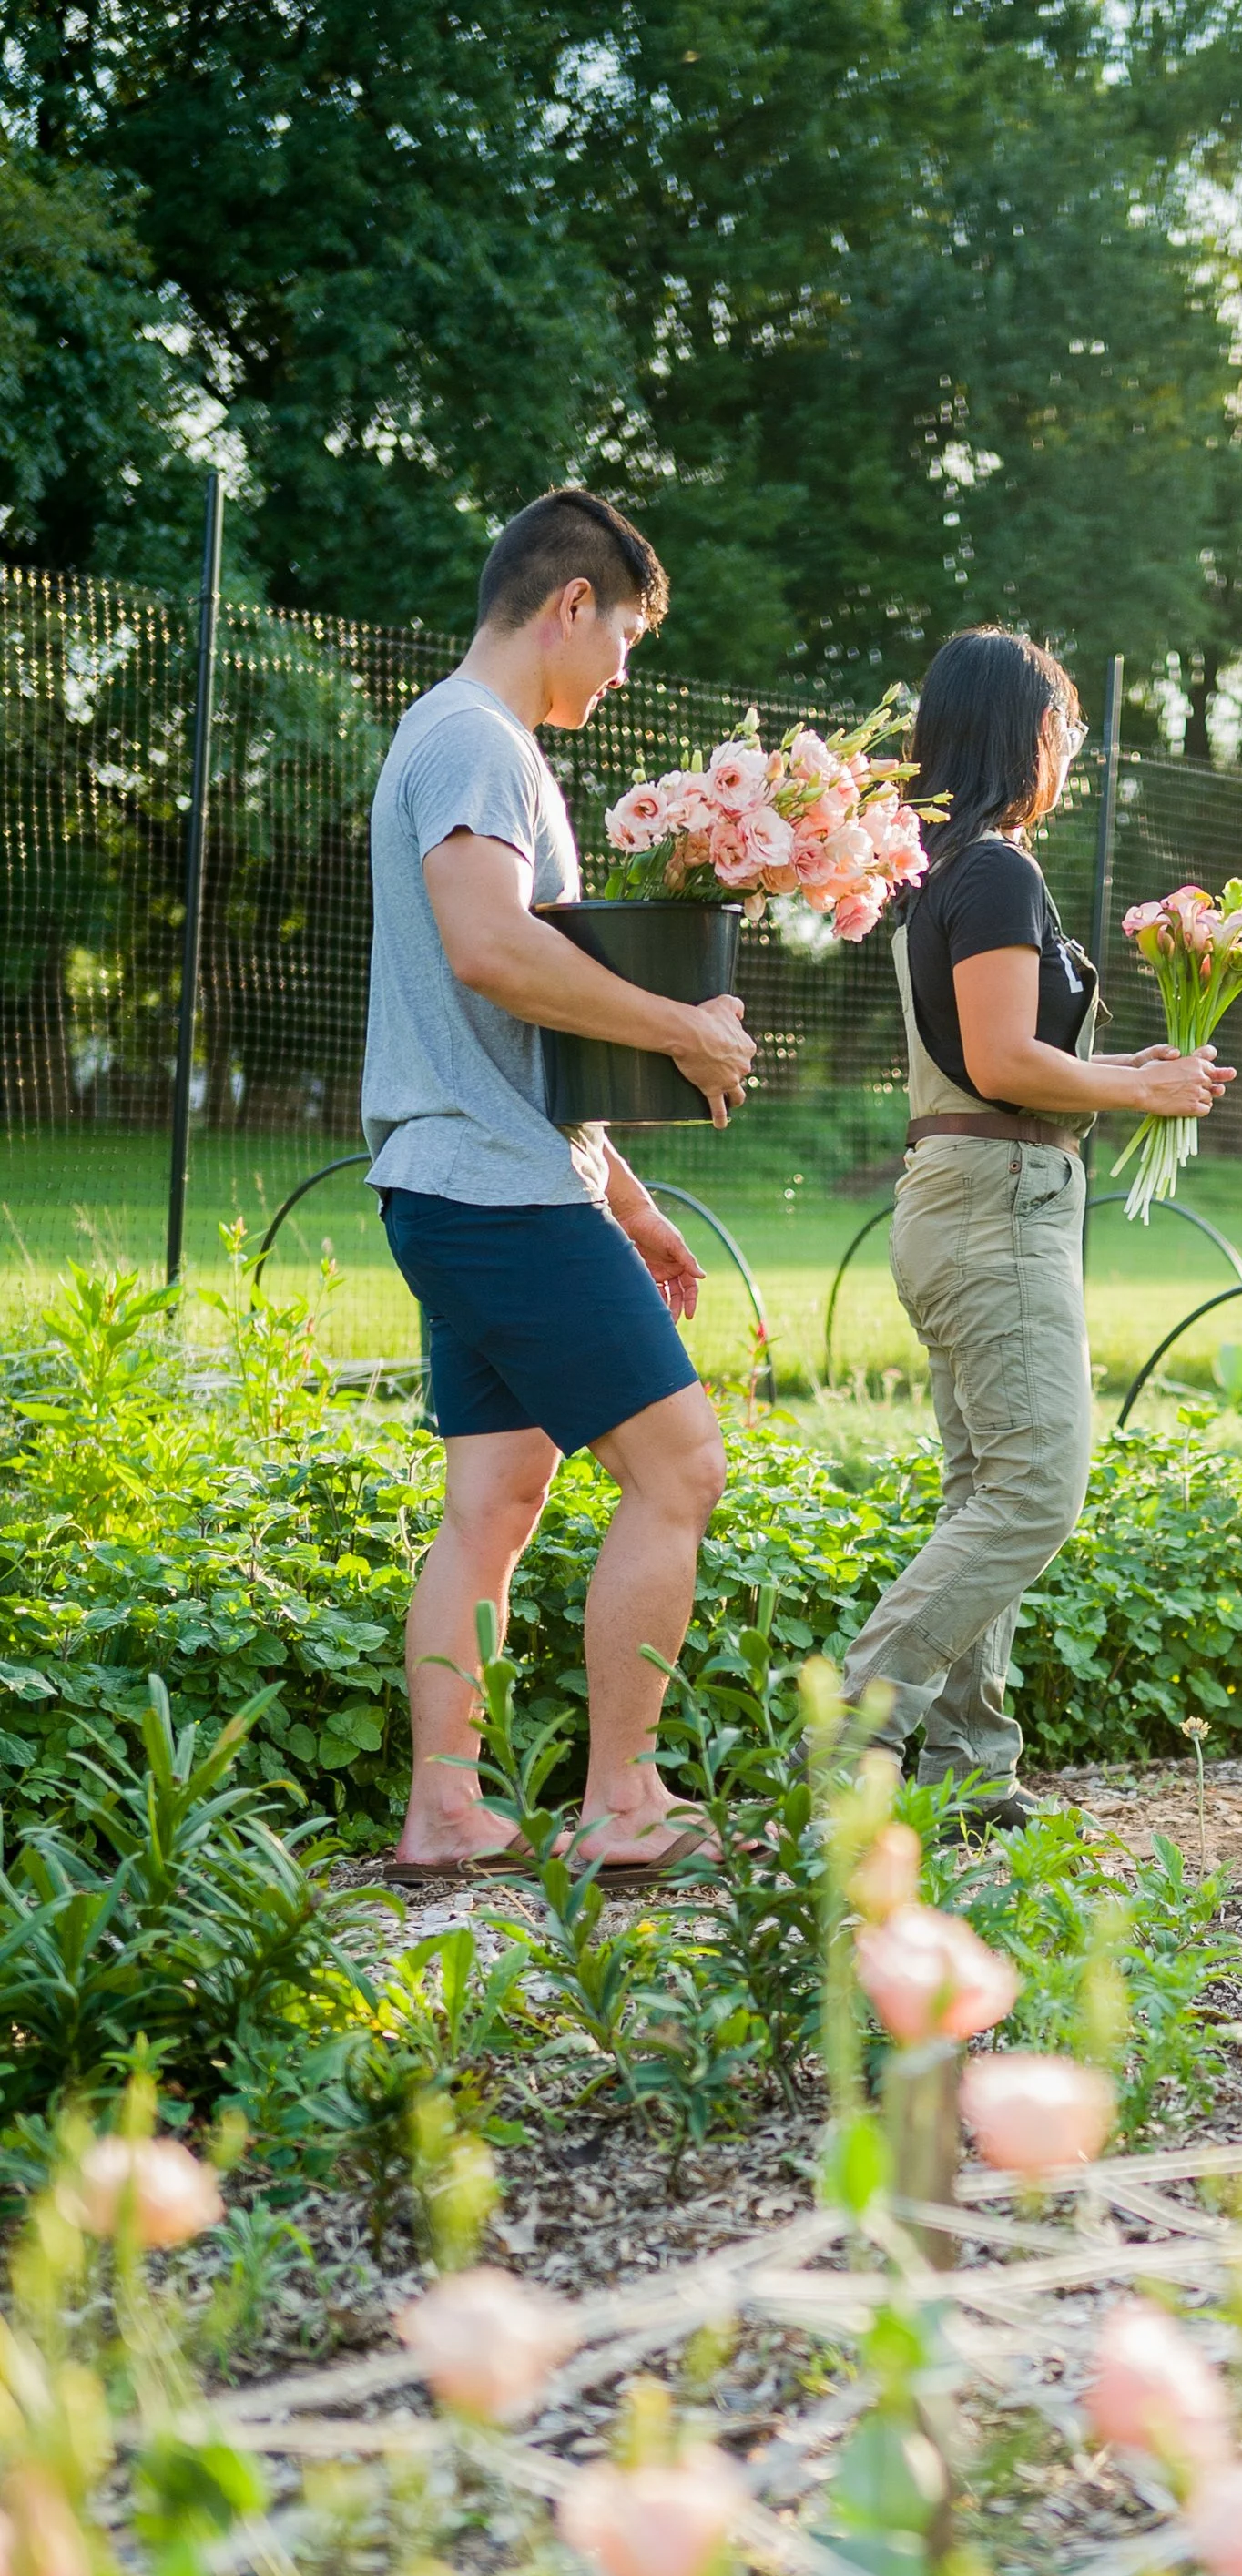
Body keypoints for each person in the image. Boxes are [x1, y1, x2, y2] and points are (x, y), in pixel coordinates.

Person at [361, 484, 757, 1881]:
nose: (624, 670)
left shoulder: (462, 740)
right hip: (495, 1196)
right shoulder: (478, 741)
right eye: (629, 638)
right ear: (570, 603)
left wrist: (630, 1202)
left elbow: (513, 1030)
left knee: (498, 1502)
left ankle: (449, 1809)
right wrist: (682, 1028)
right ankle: (622, 1799)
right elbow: (490, 951)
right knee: (680, 1469)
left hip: (467, 1178)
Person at [842, 626, 1230, 1828]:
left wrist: (1126, 1066)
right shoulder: (996, 872)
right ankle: (853, 1725)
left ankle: (969, 1770)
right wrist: (1139, 1088)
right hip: (994, 1210)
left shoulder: (943, 870)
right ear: (1023, 736)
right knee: (1037, 1491)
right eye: (1063, 727)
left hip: (971, 1195)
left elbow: (994, 1062)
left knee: (985, 1488)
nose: (1072, 751)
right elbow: (1008, 1060)